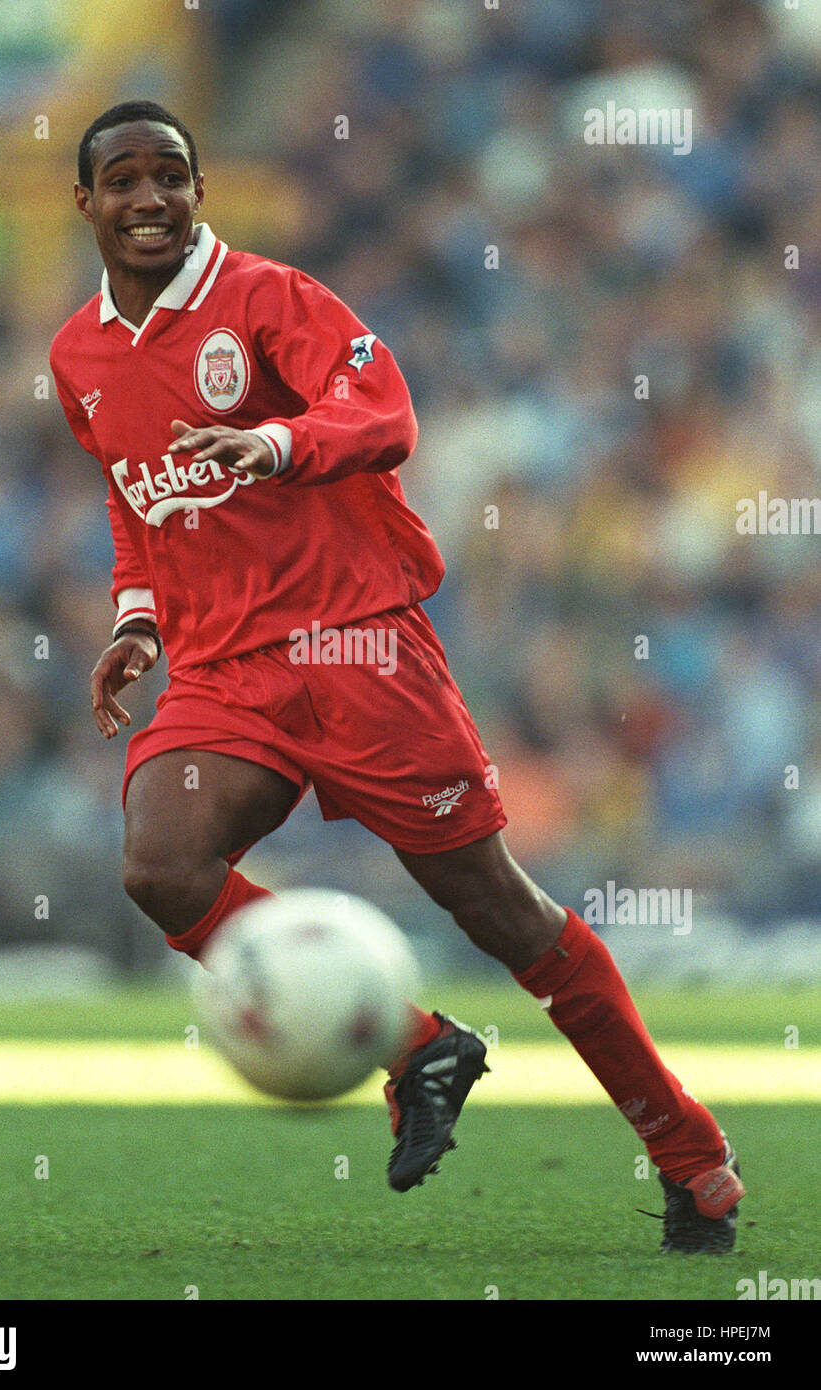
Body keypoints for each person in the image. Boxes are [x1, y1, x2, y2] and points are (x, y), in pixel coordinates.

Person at [50, 101, 743, 1252]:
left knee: (499, 911)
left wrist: (270, 442)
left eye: (169, 175)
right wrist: (136, 616)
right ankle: (417, 1045)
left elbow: (383, 412)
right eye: (121, 181)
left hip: (357, 648)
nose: (148, 200)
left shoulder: (272, 299)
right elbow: (132, 495)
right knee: (159, 863)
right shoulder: (75, 356)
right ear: (85, 204)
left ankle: (690, 1153)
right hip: (224, 668)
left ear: (199, 188)